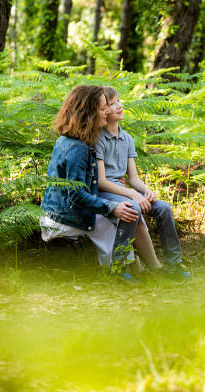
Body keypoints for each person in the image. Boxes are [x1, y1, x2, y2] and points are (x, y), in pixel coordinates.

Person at [39, 85, 140, 279]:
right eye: (103, 109)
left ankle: (121, 270)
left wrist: (116, 185)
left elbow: (89, 181)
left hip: (68, 213)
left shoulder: (80, 140)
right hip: (62, 218)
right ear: (89, 112)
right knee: (120, 217)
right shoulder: (77, 148)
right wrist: (111, 207)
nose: (108, 111)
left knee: (122, 215)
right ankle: (117, 272)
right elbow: (76, 194)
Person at [95, 86, 191, 281]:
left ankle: (173, 265)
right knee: (133, 209)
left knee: (163, 208)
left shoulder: (127, 139)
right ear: (104, 111)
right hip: (106, 191)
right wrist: (131, 195)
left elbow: (133, 178)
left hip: (123, 189)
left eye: (118, 101)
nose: (119, 106)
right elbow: (102, 181)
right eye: (112, 104)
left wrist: (147, 191)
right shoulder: (98, 139)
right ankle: (119, 267)